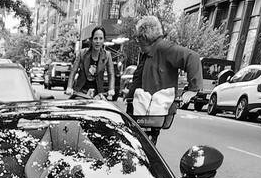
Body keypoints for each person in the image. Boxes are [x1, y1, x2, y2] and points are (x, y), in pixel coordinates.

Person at [129, 15, 205, 143]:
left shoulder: (164, 48)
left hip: (153, 113)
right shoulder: (148, 53)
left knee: (145, 146)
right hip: (144, 112)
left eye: (138, 38)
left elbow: (192, 57)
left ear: (145, 37)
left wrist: (193, 89)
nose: (138, 42)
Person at [68, 25, 116, 100]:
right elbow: (73, 71)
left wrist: (111, 89)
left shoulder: (107, 55)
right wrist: (69, 87)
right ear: (91, 40)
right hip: (81, 93)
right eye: (95, 38)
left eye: (101, 38)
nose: (98, 41)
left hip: (98, 94)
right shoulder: (82, 53)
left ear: (104, 40)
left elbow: (111, 73)